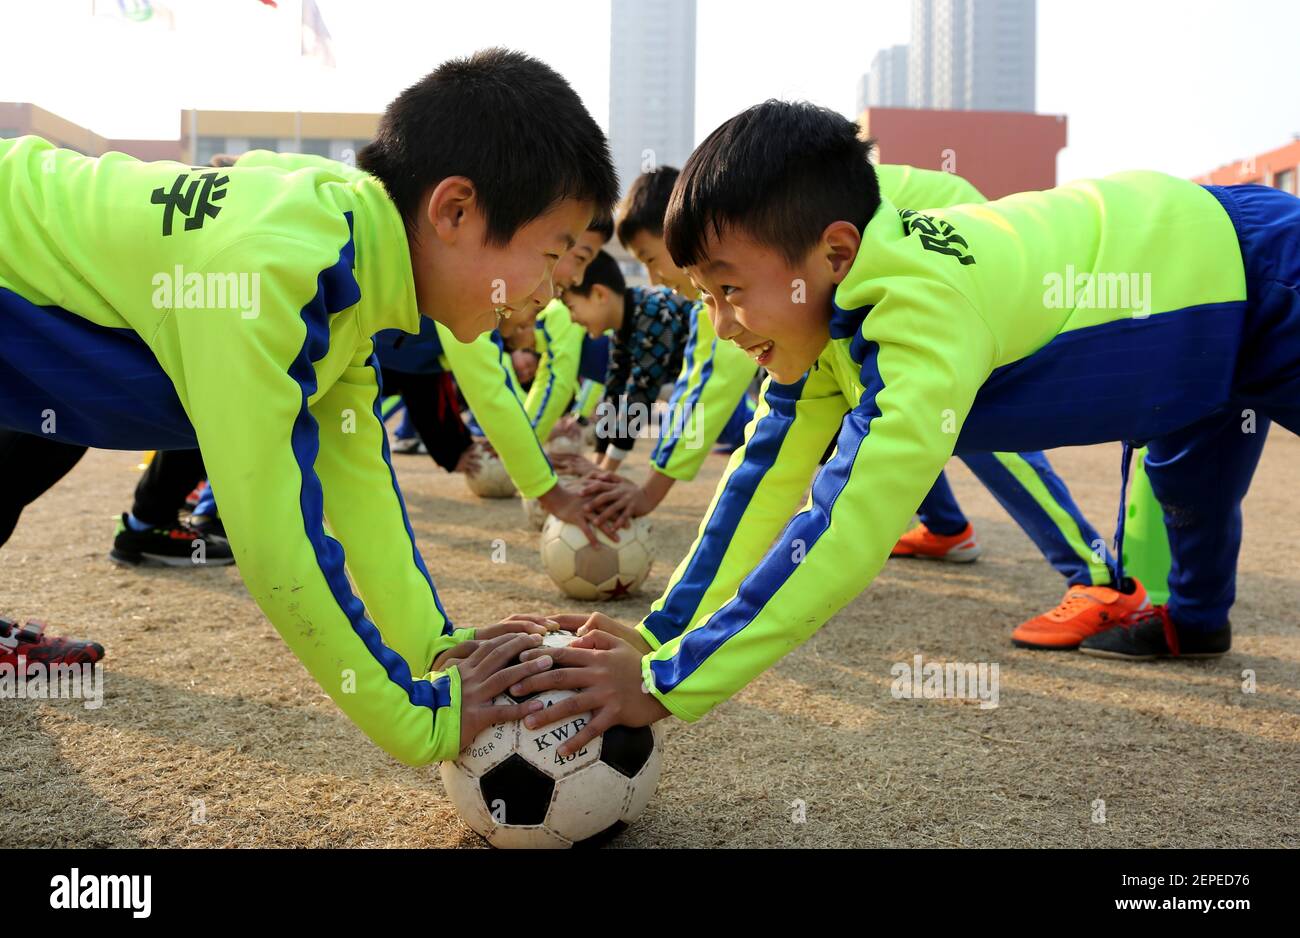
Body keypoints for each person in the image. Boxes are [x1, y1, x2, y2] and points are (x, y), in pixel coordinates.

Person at [506, 99, 1300, 755]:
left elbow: (842, 529)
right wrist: (659, 637)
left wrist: (666, 684)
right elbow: (761, 480)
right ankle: (1193, 624)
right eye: (703, 296)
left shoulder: (918, 320)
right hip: (1192, 353)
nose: (717, 325)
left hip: (1256, 275)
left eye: (728, 290)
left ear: (835, 253)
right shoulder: (821, 320)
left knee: (1189, 460)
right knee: (1186, 483)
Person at [0, 48, 618, 765]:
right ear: (454, 209)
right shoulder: (283, 266)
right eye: (553, 254)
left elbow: (362, 490)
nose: (551, 292)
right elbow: (277, 546)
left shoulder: (351, 275)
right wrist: (421, 721)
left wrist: (437, 648)